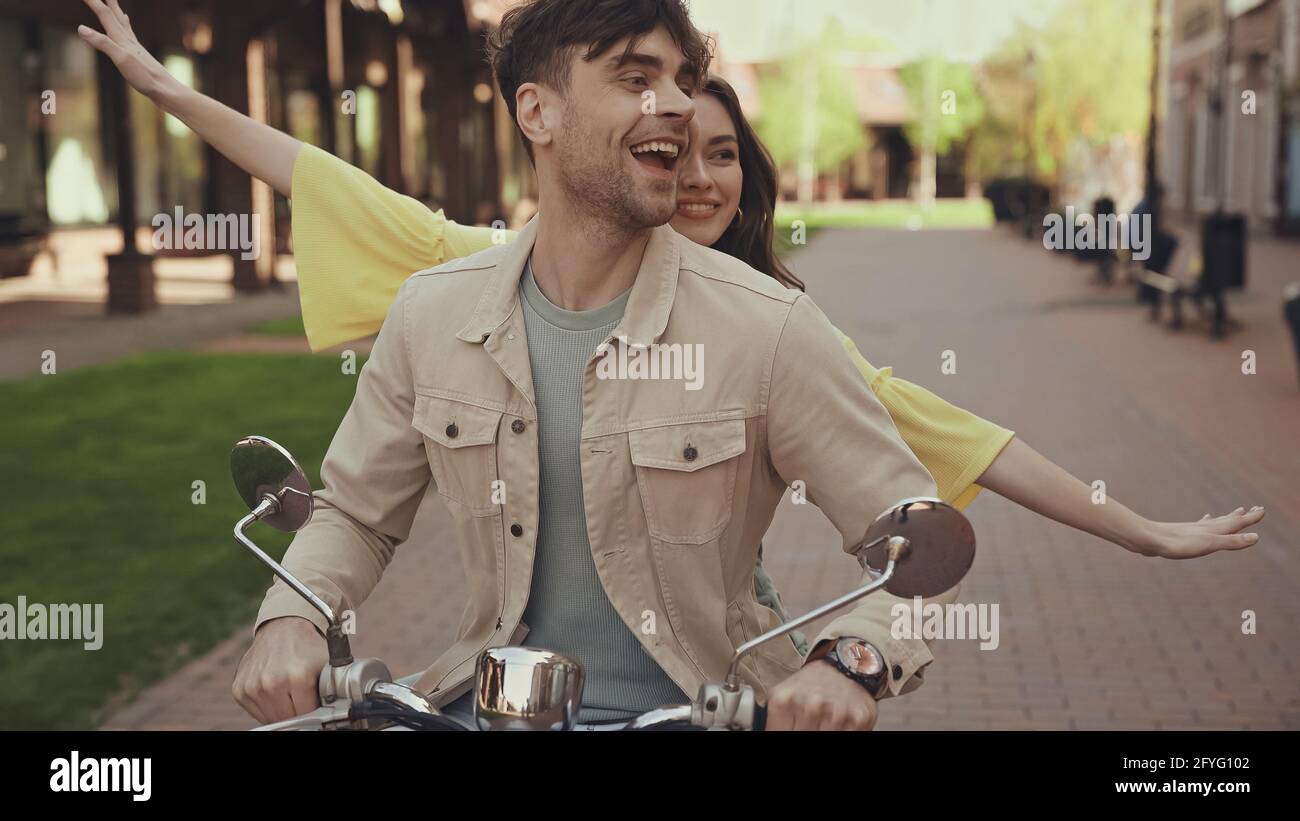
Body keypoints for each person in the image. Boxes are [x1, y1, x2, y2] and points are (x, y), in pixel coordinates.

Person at [82, 0, 1266, 730]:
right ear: (537, 114)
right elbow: (352, 508)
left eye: (683, 83)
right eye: (634, 77)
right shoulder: (436, 301)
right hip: (468, 702)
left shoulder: (772, 330)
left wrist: (852, 662)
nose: (672, 109)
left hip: (710, 707)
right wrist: (290, 614)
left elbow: (906, 524)